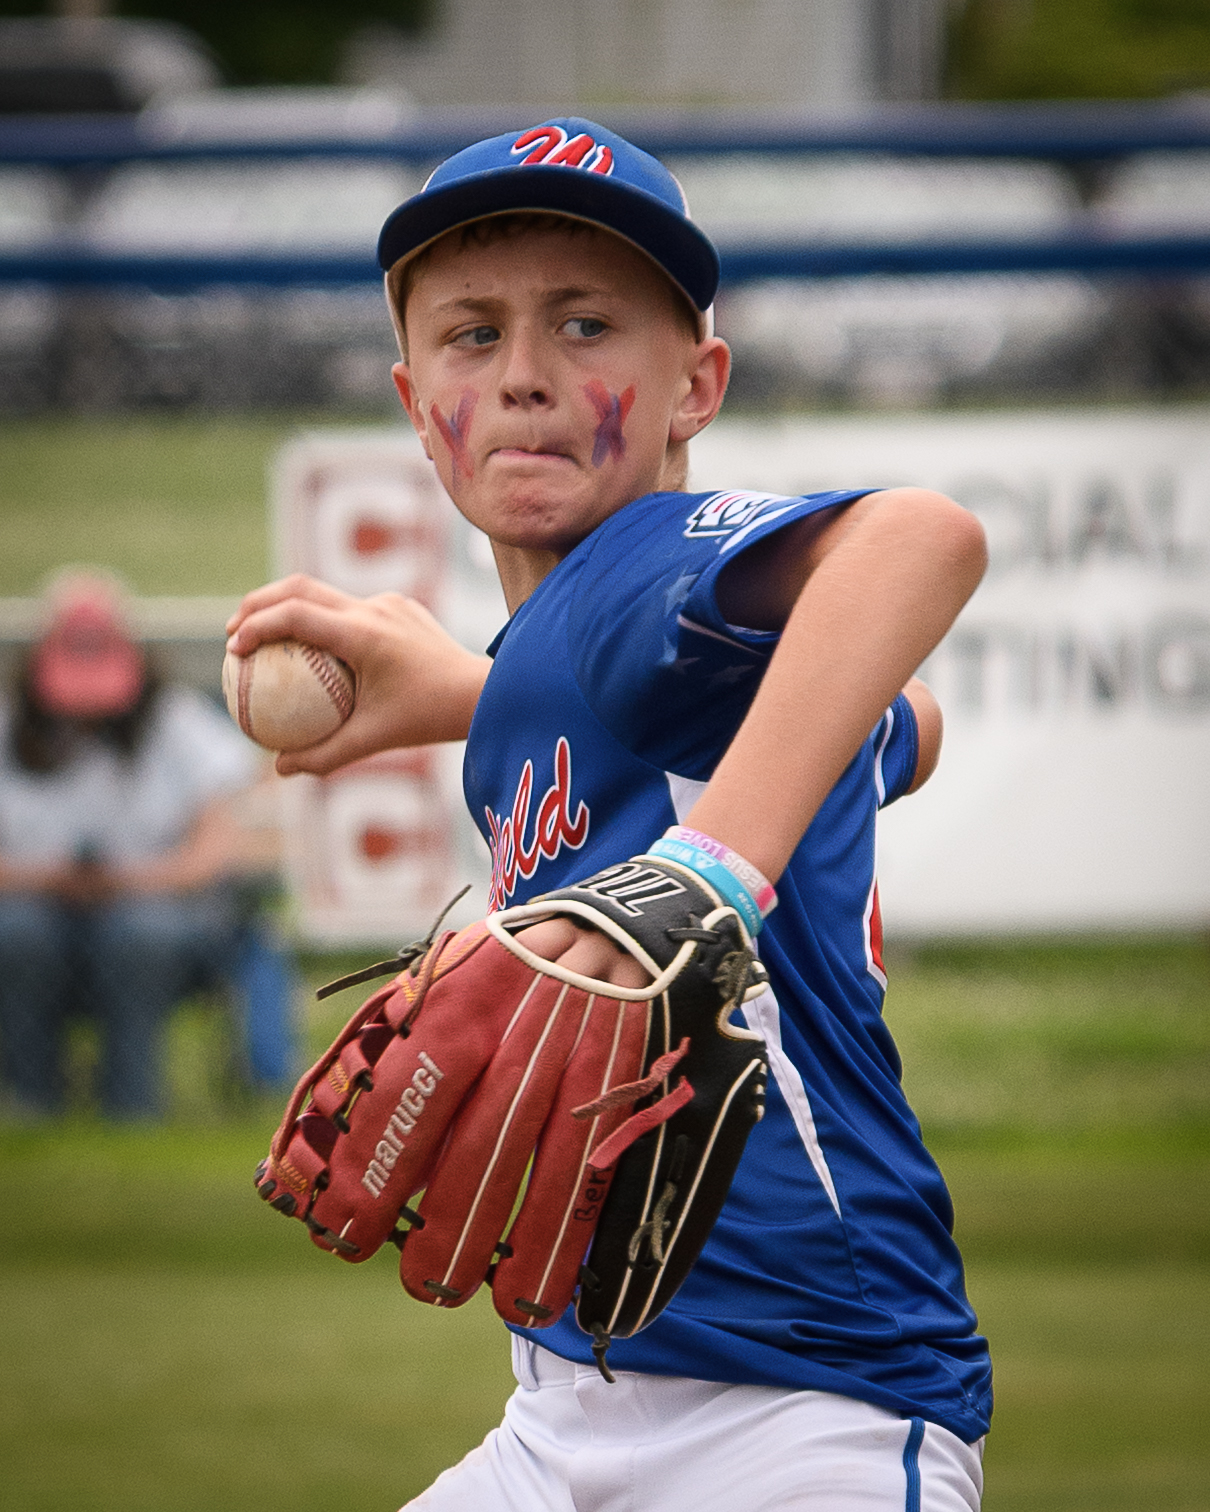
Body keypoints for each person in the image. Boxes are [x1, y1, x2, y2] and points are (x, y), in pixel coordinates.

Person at [227, 119, 992, 1511]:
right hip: (565, 1414)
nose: (522, 376)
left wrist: (708, 871)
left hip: (800, 1417)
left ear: (694, 382)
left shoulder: (641, 569)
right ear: (413, 399)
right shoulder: (608, 667)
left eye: (584, 325)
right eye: (471, 335)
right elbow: (906, 731)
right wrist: (472, 691)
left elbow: (921, 538)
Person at [0, 569, 295, 1119]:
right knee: (20, 934)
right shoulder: (7, 727)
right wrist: (56, 882)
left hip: (151, 931)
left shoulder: (176, 724)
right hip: (39, 926)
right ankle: (31, 1101)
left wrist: (117, 883)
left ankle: (132, 1103)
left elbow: (211, 857)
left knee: (137, 935)